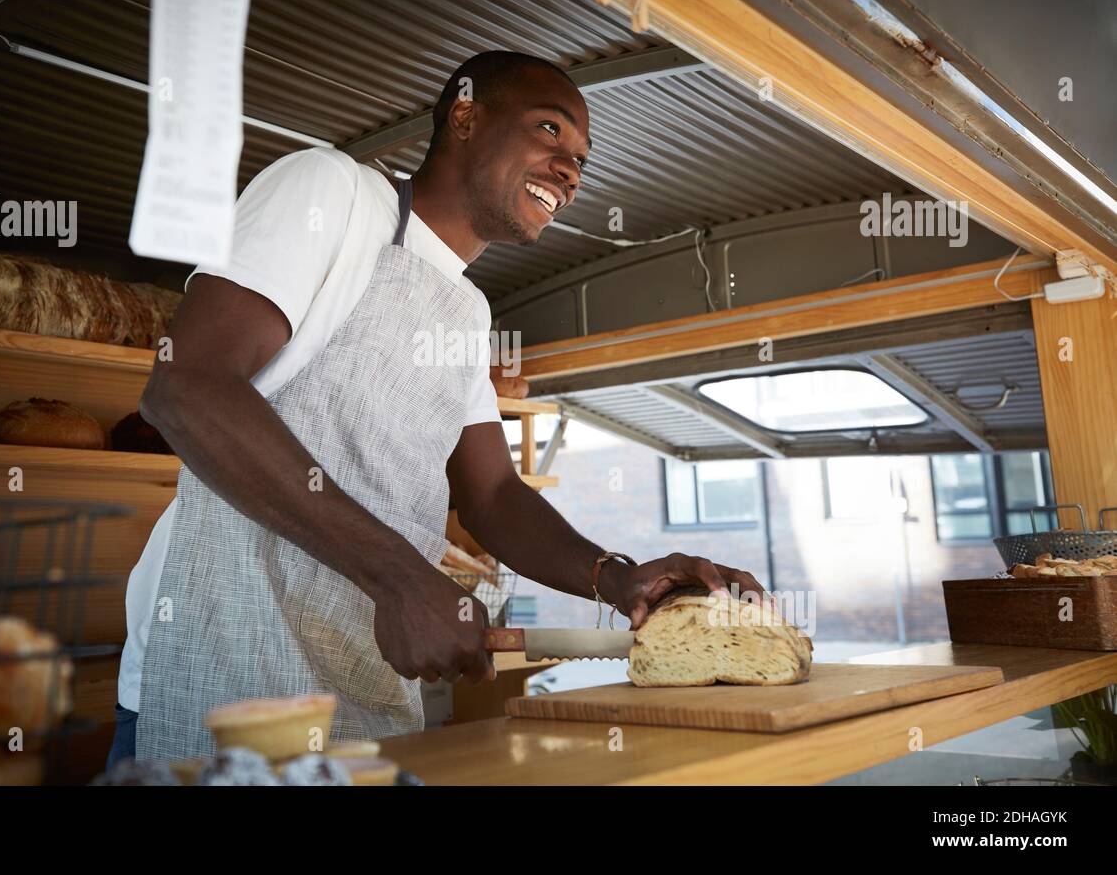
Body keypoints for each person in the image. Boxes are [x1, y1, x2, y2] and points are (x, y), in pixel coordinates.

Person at [110, 51, 769, 765]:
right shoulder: (330, 190)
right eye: (549, 131)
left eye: (581, 159)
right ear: (464, 114)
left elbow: (491, 494)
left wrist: (617, 577)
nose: (570, 171)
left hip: (359, 683)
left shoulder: (466, 311)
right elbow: (188, 387)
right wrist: (401, 578)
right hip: (220, 660)